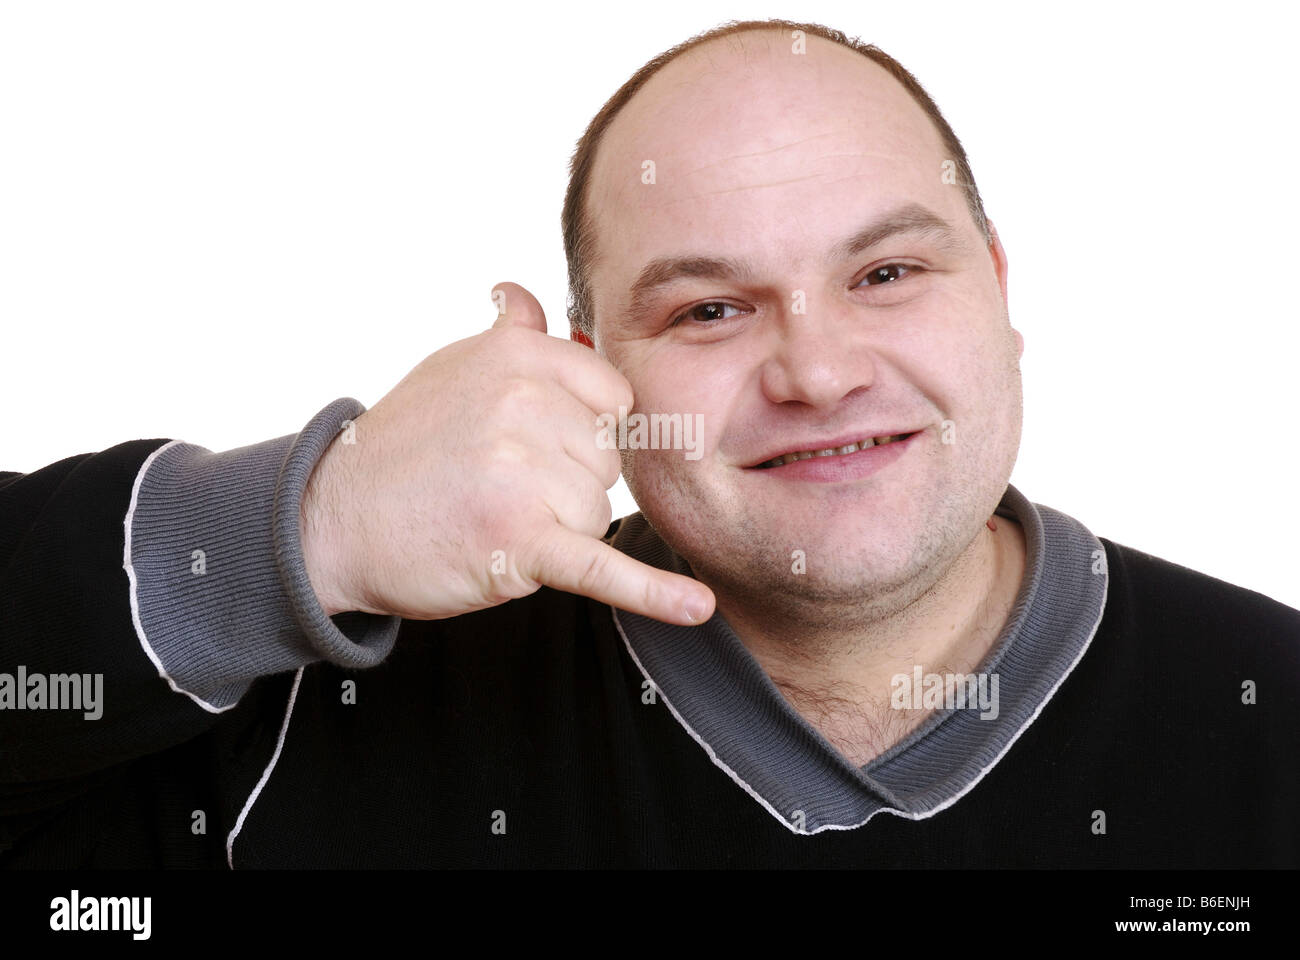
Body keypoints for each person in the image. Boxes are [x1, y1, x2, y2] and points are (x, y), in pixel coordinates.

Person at [2, 18, 1296, 869]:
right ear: (583, 358)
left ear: (999, 290)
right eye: (710, 308)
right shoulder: (301, 736)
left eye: (889, 270)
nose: (820, 370)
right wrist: (303, 529)